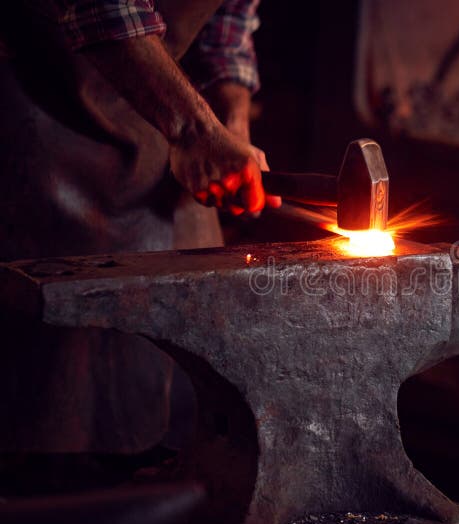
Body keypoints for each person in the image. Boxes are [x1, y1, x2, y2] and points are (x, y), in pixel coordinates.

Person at [0, 0, 277, 454]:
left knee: (197, 399)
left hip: (161, 121)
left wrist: (231, 123)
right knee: (47, 418)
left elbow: (229, 17)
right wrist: (193, 130)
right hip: (34, 123)